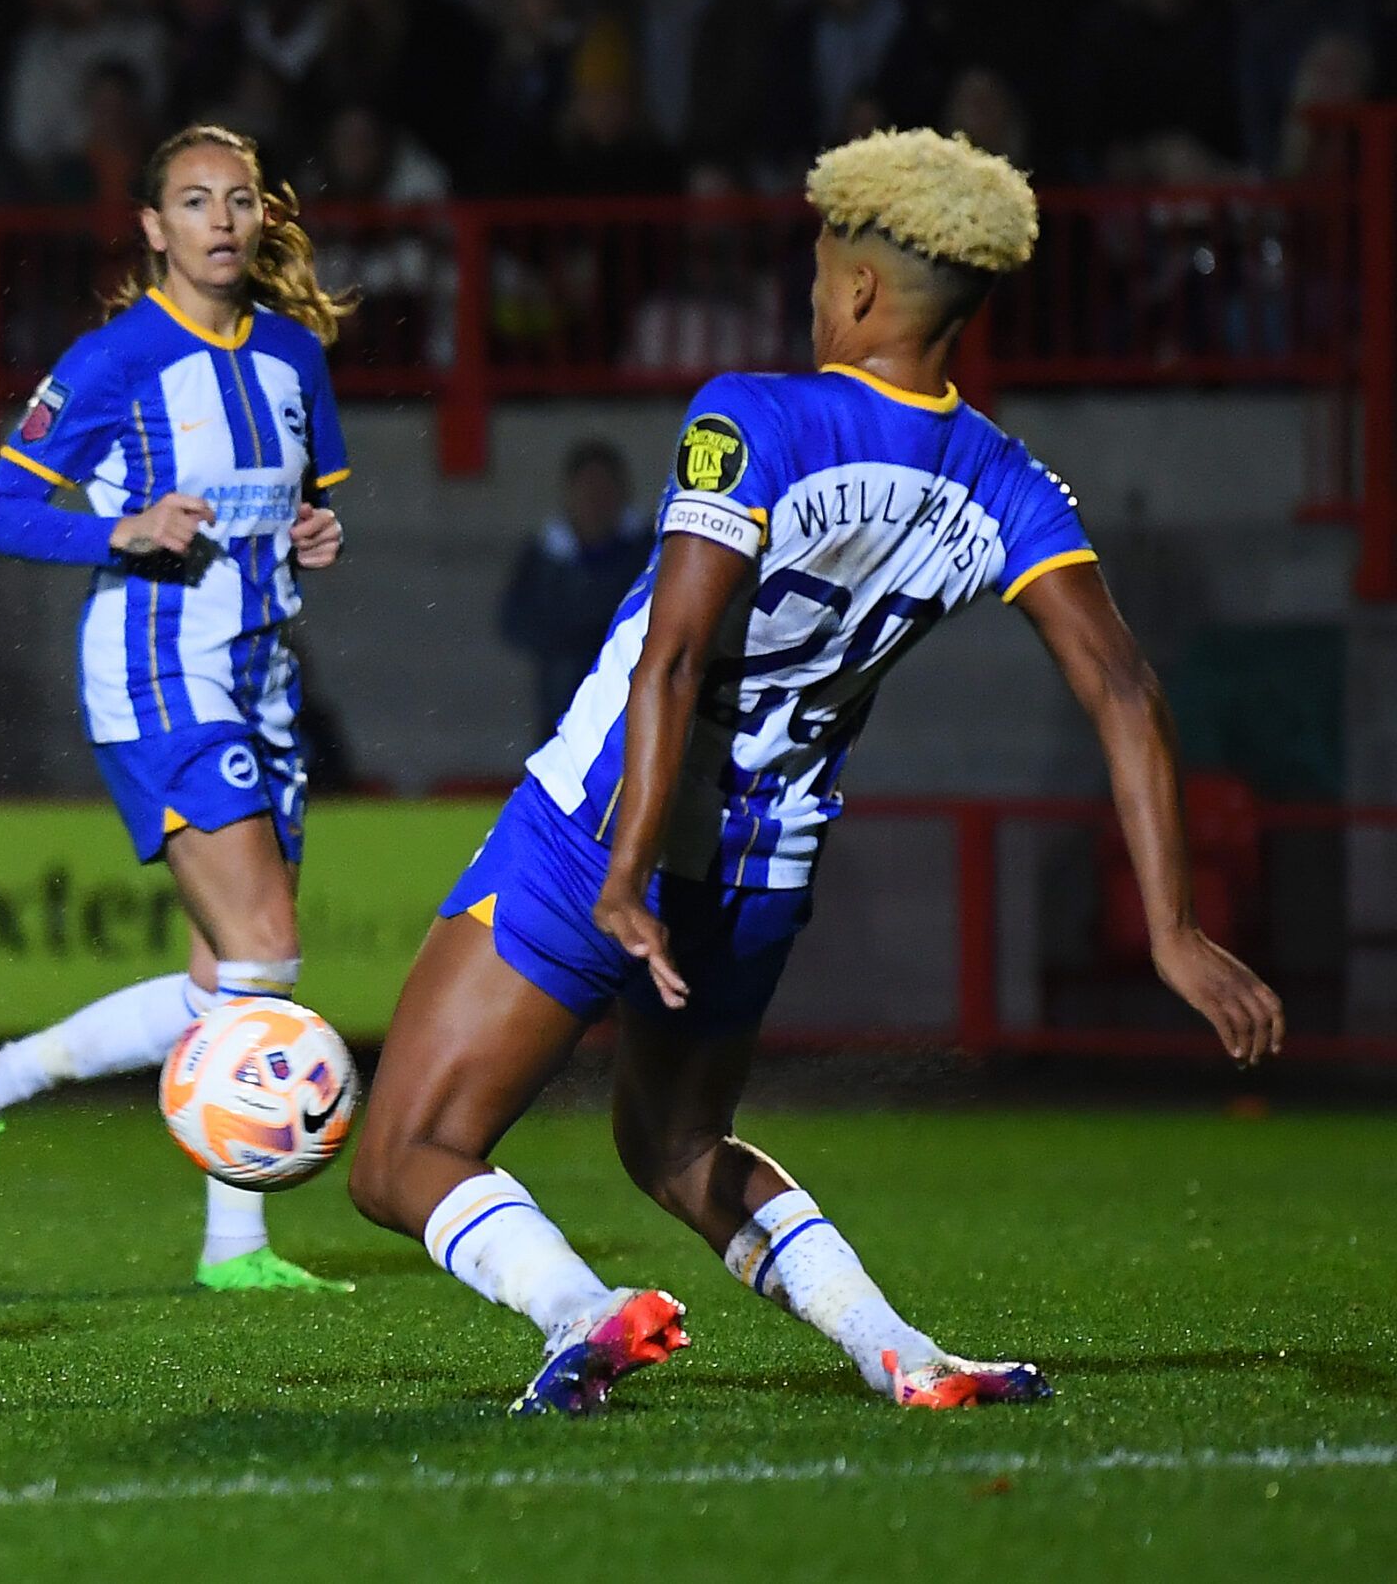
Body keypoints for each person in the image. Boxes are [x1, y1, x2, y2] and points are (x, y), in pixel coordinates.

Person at [345, 130, 1284, 1417]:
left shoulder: (757, 416)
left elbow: (670, 662)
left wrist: (622, 874)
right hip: (763, 866)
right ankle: (896, 1348)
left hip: (596, 826)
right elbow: (1124, 687)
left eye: (818, 265)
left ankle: (582, 1313)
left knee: (401, 1153)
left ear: (855, 293)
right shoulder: (1008, 484)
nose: (806, 288)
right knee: (672, 1143)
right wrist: (1172, 929)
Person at [0, 124, 355, 1293]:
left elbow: (303, 508)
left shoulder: (294, 358)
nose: (221, 219)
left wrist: (318, 531)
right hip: (156, 672)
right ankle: (237, 1244)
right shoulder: (111, 362)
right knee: (267, 949)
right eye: (194, 201)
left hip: (261, 677)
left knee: (230, 980)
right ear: (154, 229)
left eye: (240, 200)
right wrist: (119, 527)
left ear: (264, 220)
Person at [497, 441, 653, 744]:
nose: (595, 502)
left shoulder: (649, 553)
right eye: (587, 490)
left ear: (623, 494)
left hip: (633, 714)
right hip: (561, 715)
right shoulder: (543, 556)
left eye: (604, 491)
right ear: (569, 495)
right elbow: (514, 622)